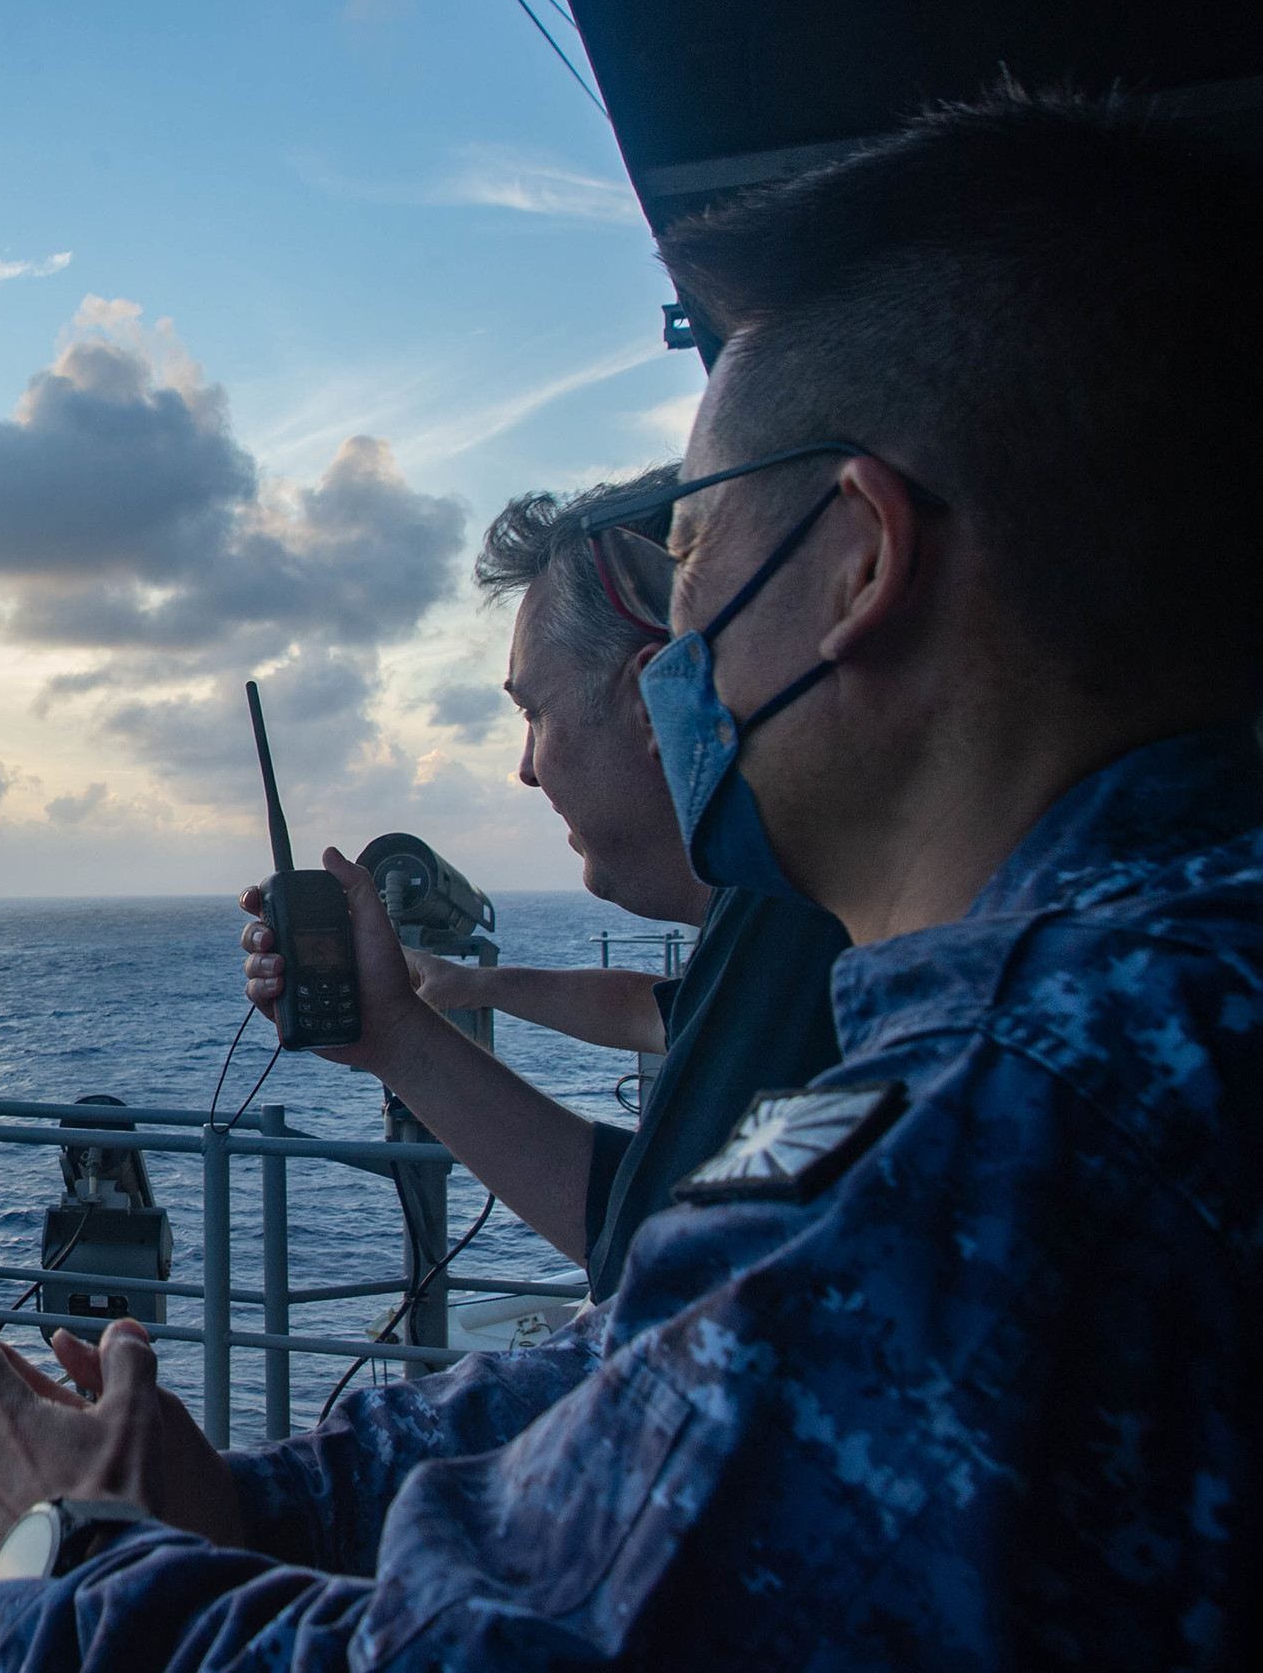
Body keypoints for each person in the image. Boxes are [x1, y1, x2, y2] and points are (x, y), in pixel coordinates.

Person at [0, 87, 1263, 1668]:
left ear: (858, 562)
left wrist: (61, 1574)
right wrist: (262, 1502)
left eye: (692, 562)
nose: (669, 665)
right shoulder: (1215, 982)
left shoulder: (1002, 1132)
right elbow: (655, 1371)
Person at [240, 470, 851, 1295]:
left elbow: (672, 1282)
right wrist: (395, 1031)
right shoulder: (789, 928)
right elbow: (642, 1232)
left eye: (534, 714)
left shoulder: (814, 939)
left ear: (651, 697)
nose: (526, 769)